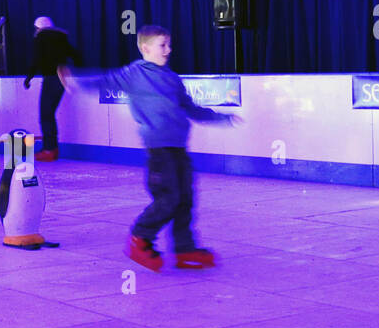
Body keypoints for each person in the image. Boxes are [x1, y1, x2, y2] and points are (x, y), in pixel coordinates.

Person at [60, 25, 242, 272]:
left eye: (169, 44)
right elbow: (105, 80)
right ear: (145, 48)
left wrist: (221, 118)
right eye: (162, 45)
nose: (168, 49)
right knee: (168, 198)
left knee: (186, 199)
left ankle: (184, 248)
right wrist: (75, 81)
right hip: (158, 149)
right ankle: (140, 238)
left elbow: (190, 108)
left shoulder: (172, 78)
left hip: (178, 147)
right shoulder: (135, 73)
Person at [24, 16, 80, 162]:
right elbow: (75, 54)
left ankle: (49, 149)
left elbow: (36, 59)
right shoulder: (61, 38)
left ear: (38, 28)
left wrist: (29, 77)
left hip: (50, 78)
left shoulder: (40, 38)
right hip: (62, 79)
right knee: (49, 114)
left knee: (45, 115)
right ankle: (52, 148)